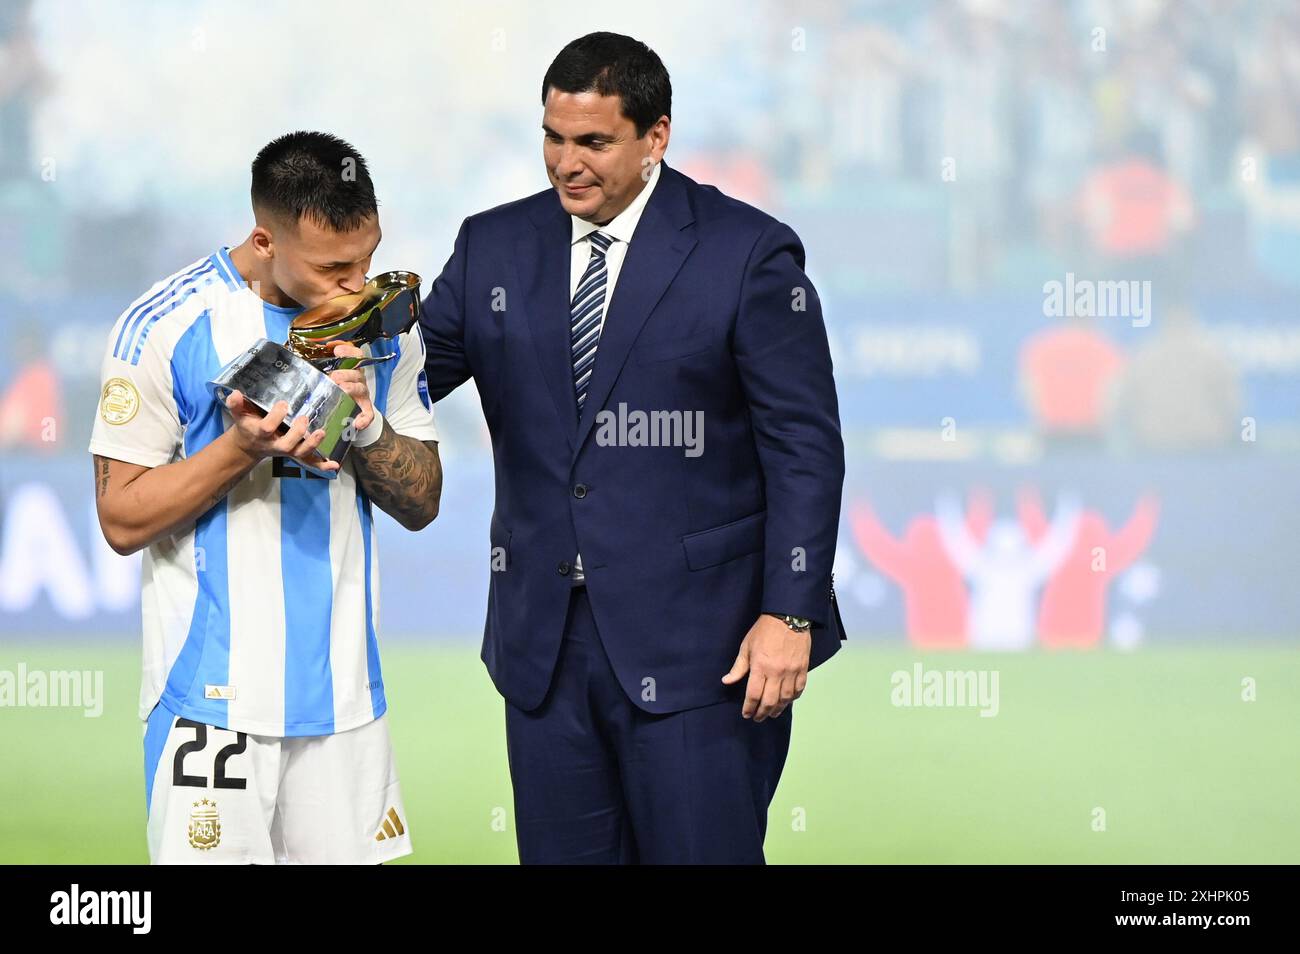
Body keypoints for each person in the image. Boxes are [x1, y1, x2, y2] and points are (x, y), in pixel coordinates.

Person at [419, 32, 846, 864]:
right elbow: (403, 384)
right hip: (543, 651)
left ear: (656, 137)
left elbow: (805, 447)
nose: (565, 162)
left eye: (593, 142)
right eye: (552, 136)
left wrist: (790, 611)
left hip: (705, 651)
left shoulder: (747, 254)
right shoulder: (491, 248)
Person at [89, 131, 442, 864]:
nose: (357, 282)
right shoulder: (166, 325)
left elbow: (423, 500)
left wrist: (365, 428)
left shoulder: (385, 332)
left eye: (367, 257)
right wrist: (242, 446)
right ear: (263, 239)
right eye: (333, 266)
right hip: (210, 705)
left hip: (346, 705)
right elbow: (121, 519)